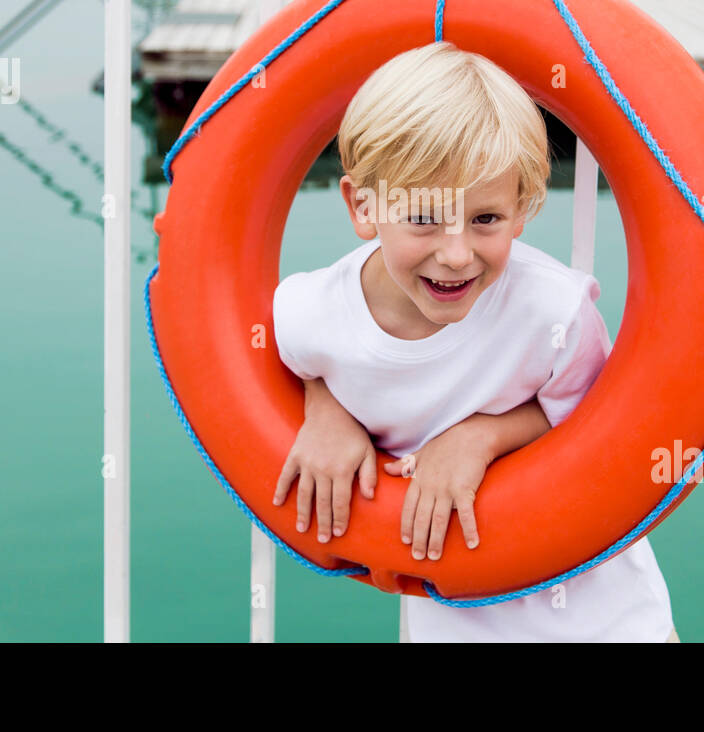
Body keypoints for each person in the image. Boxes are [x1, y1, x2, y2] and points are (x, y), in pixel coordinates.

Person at [271, 40, 677, 642]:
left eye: (485, 219)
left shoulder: (552, 312)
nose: (456, 254)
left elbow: (601, 416)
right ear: (363, 206)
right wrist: (326, 409)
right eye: (423, 219)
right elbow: (300, 362)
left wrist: (480, 436)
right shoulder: (311, 314)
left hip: (605, 616)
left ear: (520, 209)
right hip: (455, 620)